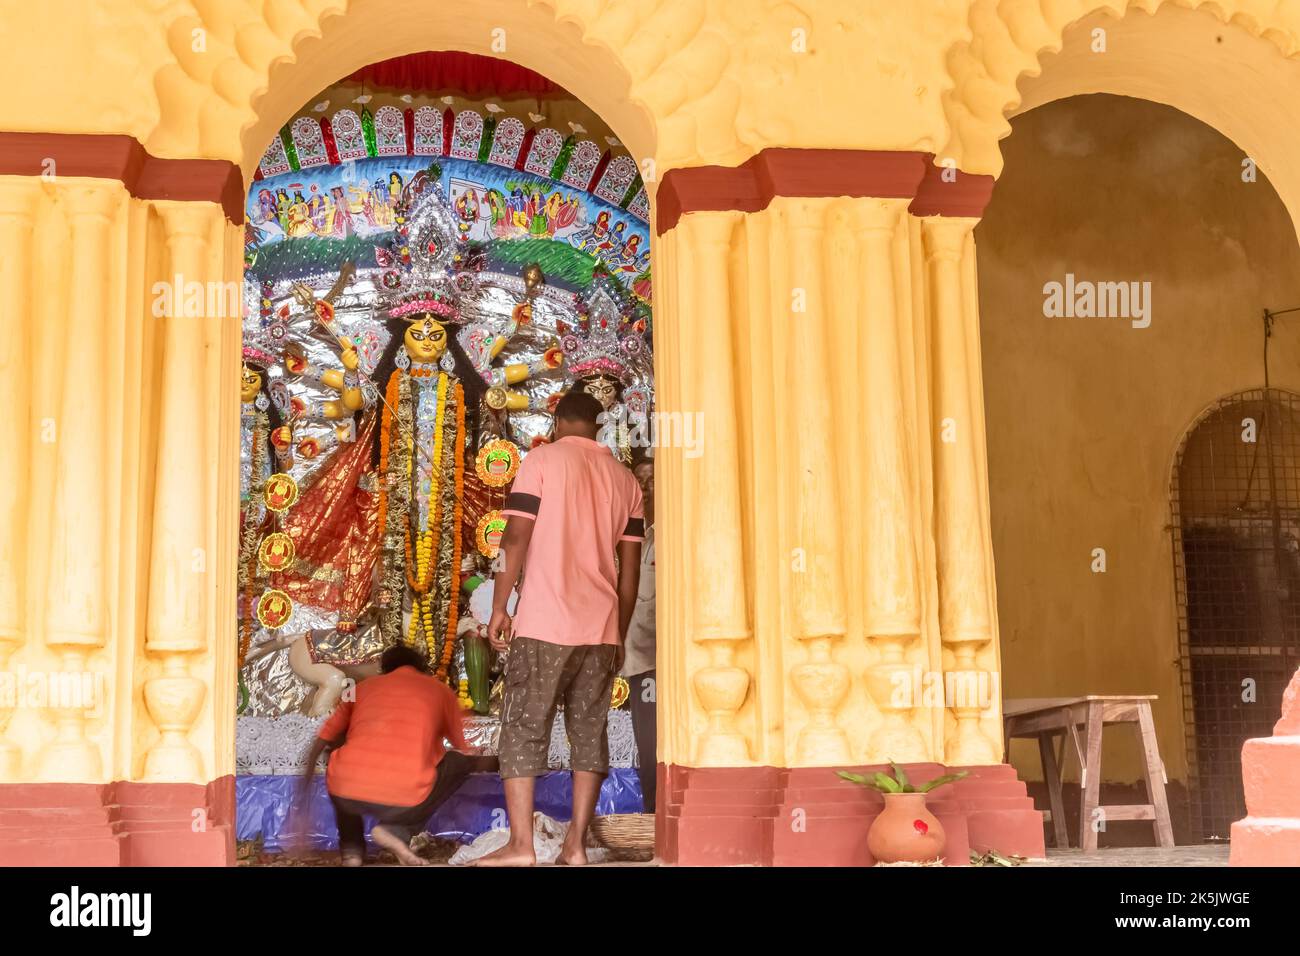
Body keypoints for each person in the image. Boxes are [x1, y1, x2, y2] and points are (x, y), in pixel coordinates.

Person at [478, 390, 644, 866]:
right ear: (597, 426)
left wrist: (499, 605)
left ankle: (521, 846)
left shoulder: (541, 460)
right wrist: (618, 630)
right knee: (590, 733)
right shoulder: (625, 479)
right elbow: (628, 574)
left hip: (545, 622)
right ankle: (575, 848)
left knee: (524, 728)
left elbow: (514, 538)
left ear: (556, 421)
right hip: (601, 630)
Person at [299, 643, 470, 866]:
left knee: (340, 764)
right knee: (458, 762)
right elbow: (460, 744)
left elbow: (325, 738)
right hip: (405, 792)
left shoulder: (357, 689)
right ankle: (396, 831)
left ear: (384, 668)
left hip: (347, 788)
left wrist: (305, 780)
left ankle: (352, 853)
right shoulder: (439, 690)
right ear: (421, 667)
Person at [621, 453, 656, 812]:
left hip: (664, 656)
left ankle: (662, 813)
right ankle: (652, 815)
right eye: (639, 482)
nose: (645, 489)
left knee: (661, 742)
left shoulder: (675, 535)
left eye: (651, 480)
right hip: (638, 658)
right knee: (647, 742)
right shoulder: (630, 534)